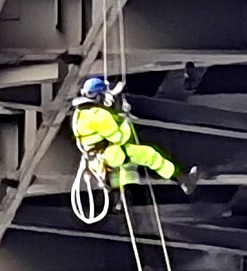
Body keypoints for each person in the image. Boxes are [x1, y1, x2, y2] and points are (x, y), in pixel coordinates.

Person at [71, 76, 200, 195]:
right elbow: (120, 138)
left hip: (96, 159)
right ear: (99, 96)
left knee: (121, 175)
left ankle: (120, 200)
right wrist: (125, 118)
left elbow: (101, 129)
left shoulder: (80, 114)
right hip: (111, 155)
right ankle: (183, 180)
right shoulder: (99, 115)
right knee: (149, 155)